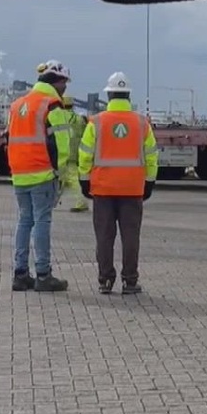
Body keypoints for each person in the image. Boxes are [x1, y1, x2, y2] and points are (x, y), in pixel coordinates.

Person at [78, 71, 158, 295]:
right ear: (128, 96)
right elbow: (151, 156)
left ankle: (105, 280)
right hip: (132, 189)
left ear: (110, 94)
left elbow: (85, 155)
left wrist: (84, 181)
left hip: (103, 188)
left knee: (104, 236)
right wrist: (149, 183)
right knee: (130, 236)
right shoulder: (142, 123)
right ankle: (130, 281)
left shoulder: (97, 122)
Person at [7, 61, 74, 292]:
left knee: (24, 221)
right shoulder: (52, 105)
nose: (65, 88)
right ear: (58, 81)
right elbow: (62, 145)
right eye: (65, 82)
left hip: (19, 174)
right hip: (42, 173)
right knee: (42, 222)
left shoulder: (17, 105)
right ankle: (43, 275)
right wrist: (61, 173)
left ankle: (20, 274)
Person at [59, 105, 90, 213]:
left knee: (69, 179)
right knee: (62, 179)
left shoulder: (60, 117)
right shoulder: (79, 119)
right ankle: (51, 202)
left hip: (62, 152)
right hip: (75, 152)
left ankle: (81, 202)